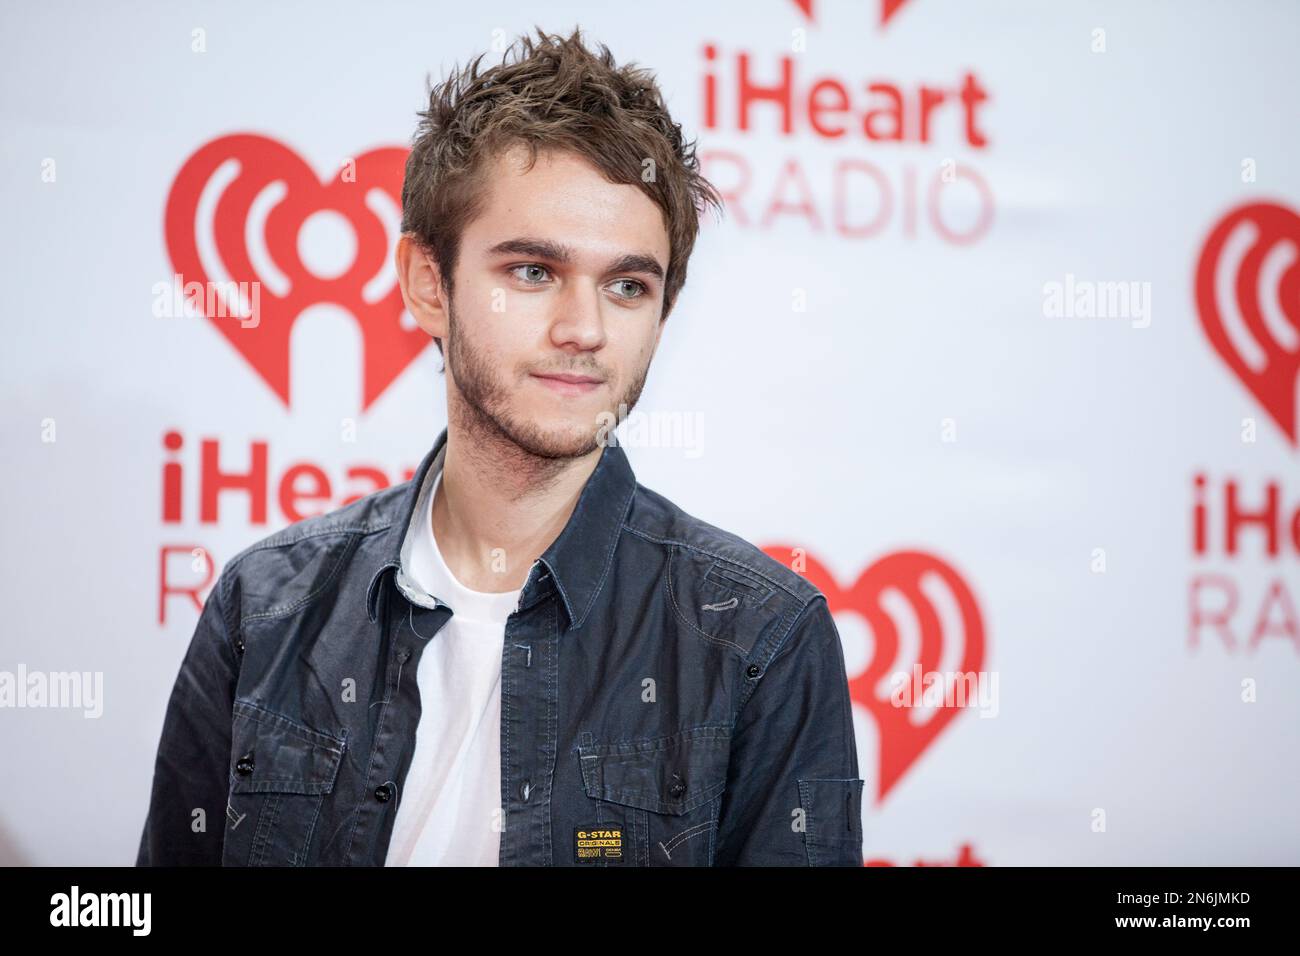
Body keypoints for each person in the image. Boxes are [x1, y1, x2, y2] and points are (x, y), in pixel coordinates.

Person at [136, 25, 863, 867]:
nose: (584, 330)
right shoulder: (263, 608)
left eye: (628, 286)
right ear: (425, 284)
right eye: (532, 271)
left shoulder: (763, 641)